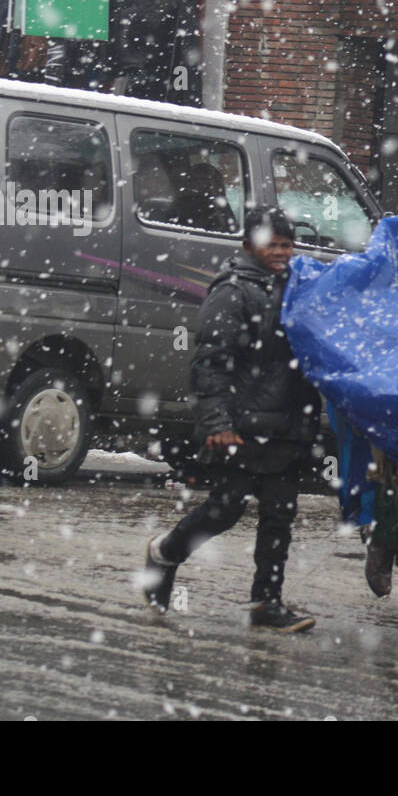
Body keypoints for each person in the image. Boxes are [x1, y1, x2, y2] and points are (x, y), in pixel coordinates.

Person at [140, 207, 320, 632]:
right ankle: (164, 553)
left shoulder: (296, 287)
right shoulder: (233, 292)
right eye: (271, 245)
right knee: (224, 510)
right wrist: (218, 422)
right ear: (248, 246)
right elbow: (211, 362)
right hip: (239, 425)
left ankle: (266, 603)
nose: (280, 253)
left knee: (279, 515)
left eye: (286, 245)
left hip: (284, 426)